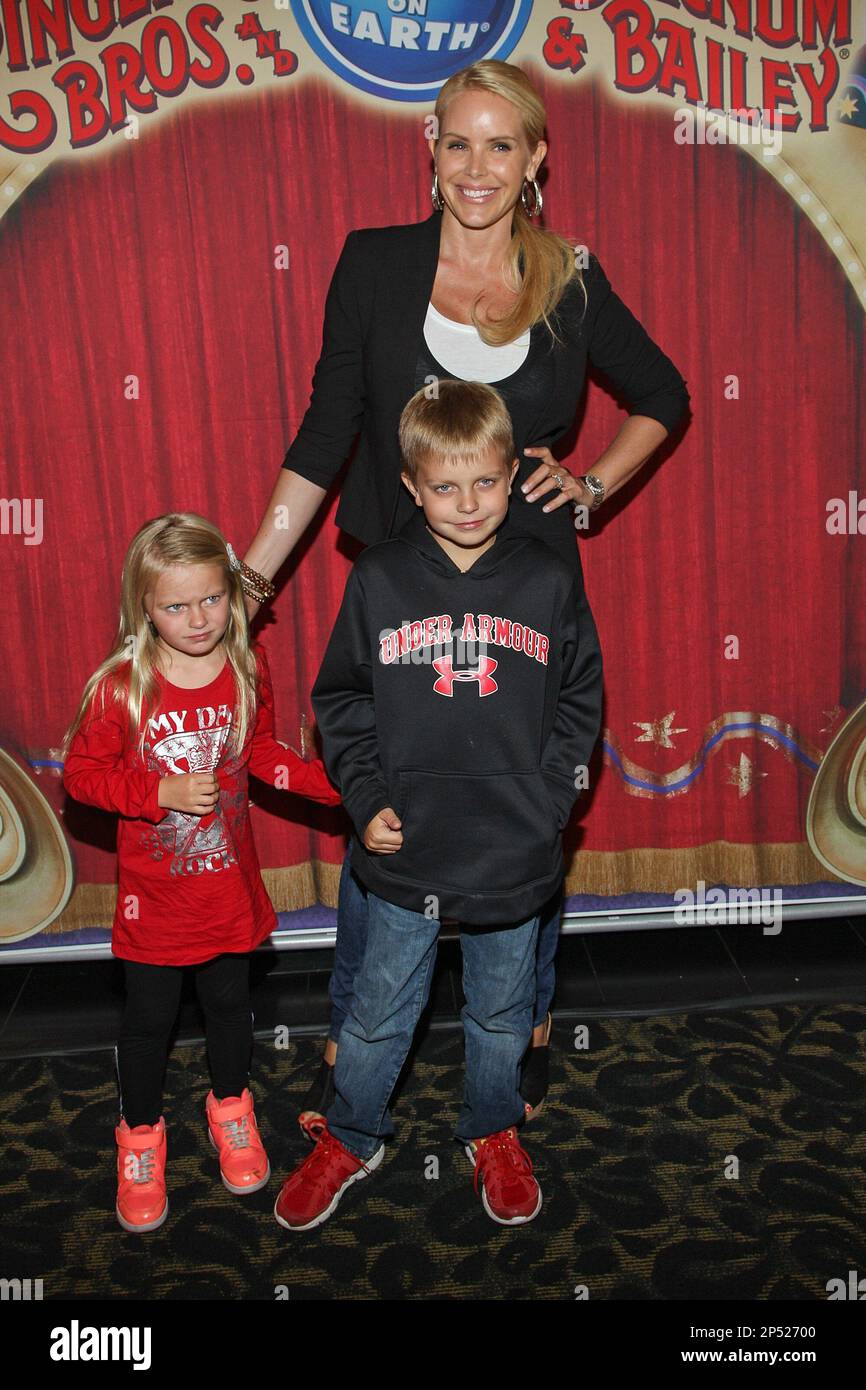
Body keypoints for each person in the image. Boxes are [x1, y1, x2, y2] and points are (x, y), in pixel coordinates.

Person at [240, 59, 690, 1130]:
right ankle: (356, 1045)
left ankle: (516, 1048)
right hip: (398, 594)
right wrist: (255, 571)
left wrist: (584, 486)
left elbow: (663, 395)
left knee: (525, 809)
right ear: (428, 151)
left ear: (534, 160)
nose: (477, 166)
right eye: (457, 142)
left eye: (502, 144)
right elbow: (323, 431)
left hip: (526, 596)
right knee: (381, 821)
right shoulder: (374, 264)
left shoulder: (569, 276)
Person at [273, 378, 603, 1229]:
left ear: (513, 473)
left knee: (501, 1008)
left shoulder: (545, 578)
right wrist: (366, 795)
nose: (467, 503)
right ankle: (353, 1132)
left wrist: (549, 804)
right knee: (381, 1008)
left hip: (515, 846)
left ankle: (492, 1128)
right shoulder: (380, 579)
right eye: (445, 486)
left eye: (486, 482)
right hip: (402, 841)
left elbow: (580, 702)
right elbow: (340, 700)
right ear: (412, 487)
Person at [61, 512, 341, 1234]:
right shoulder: (122, 685)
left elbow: (267, 758)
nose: (197, 618)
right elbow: (83, 778)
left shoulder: (247, 666)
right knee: (149, 1021)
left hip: (227, 891)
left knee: (228, 1008)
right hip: (154, 902)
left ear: (230, 591)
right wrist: (157, 792)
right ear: (144, 606)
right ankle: (141, 1136)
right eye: (175, 605)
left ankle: (231, 1107)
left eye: (211, 599)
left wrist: (344, 790)